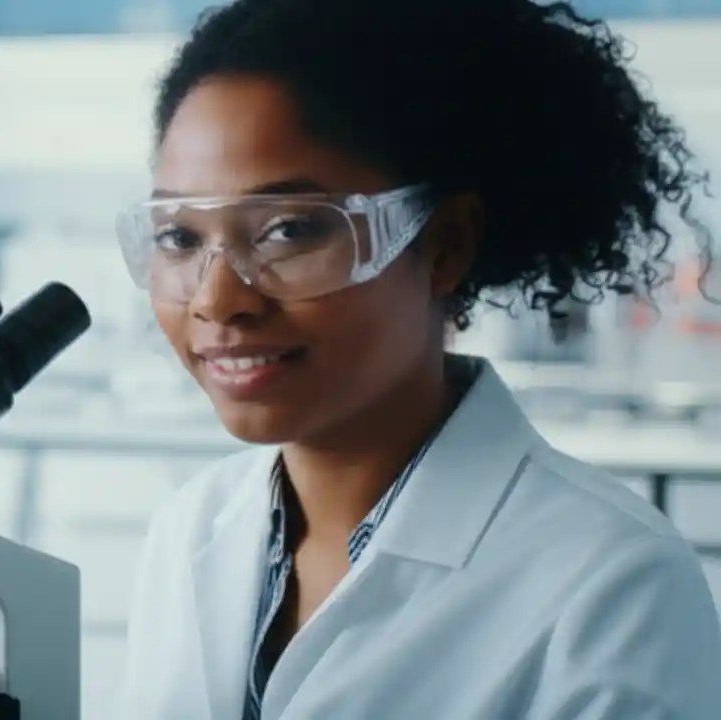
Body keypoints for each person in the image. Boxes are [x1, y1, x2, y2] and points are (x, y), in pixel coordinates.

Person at [112, 0, 721, 718]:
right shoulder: (189, 531)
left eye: (288, 231)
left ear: (444, 245)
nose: (218, 300)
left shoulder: (612, 585)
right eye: (180, 238)